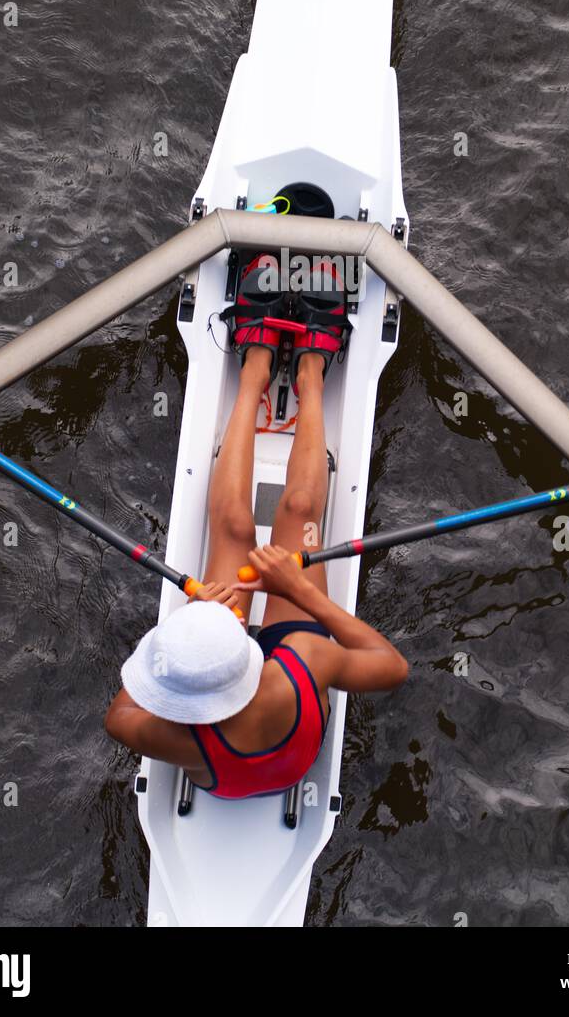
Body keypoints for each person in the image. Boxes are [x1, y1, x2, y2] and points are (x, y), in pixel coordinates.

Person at [104, 255, 408, 799]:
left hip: (221, 712)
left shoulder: (169, 737)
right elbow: (391, 666)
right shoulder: (307, 663)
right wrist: (298, 592)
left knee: (235, 527)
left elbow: (119, 713)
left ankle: (255, 371)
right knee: (298, 512)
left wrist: (199, 626)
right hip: (285, 679)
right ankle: (311, 375)